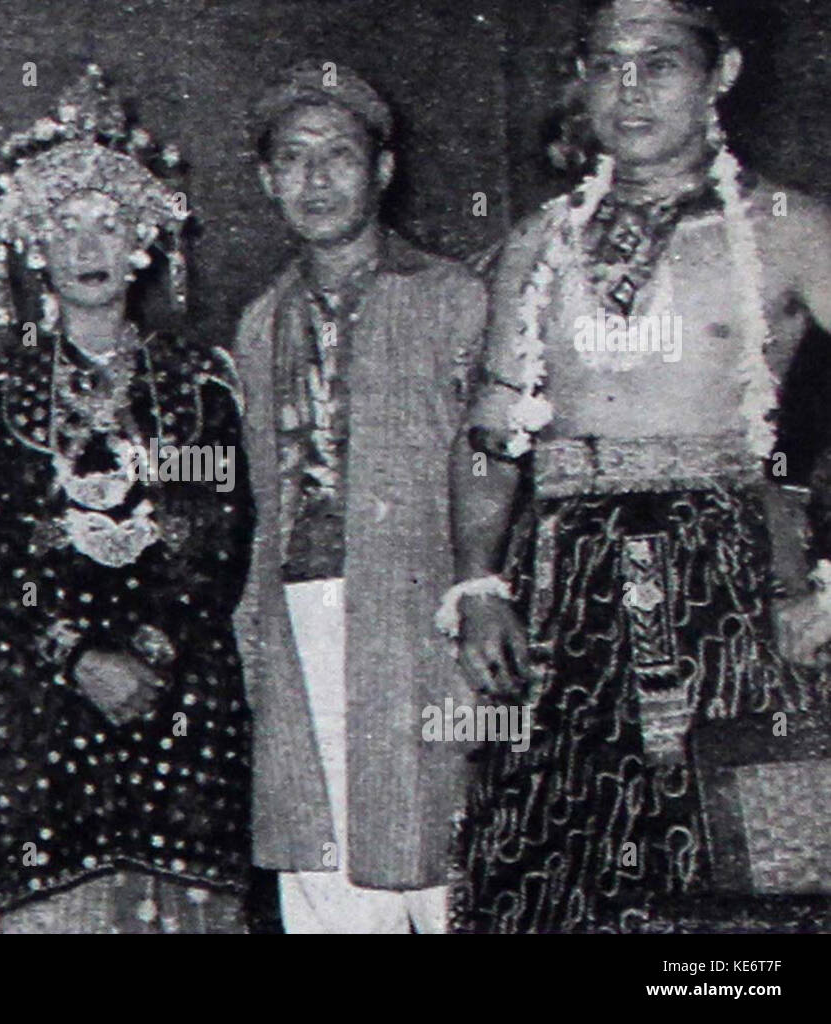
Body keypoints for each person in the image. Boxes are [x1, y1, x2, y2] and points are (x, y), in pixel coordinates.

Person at [450, 0, 831, 933]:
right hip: (566, 591)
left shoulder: (790, 225)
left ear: (722, 72)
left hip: (739, 587)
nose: (629, 89)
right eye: (606, 63)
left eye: (658, 63)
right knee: (550, 872)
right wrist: (477, 586)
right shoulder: (537, 244)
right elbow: (494, 435)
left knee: (750, 878)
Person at [0, 65, 255, 933]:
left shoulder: (199, 383)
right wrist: (77, 654)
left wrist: (151, 653)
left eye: (109, 222)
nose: (88, 247)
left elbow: (216, 538)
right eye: (66, 225)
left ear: (144, 240)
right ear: (34, 245)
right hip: (44, 699)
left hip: (181, 688)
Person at [233, 61, 487, 933]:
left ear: (382, 169)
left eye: (338, 154)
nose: (316, 178)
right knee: (323, 869)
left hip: (422, 623)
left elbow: (494, 472)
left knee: (442, 865)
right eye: (293, 159)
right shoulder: (260, 320)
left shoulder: (453, 299)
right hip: (300, 618)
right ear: (268, 179)